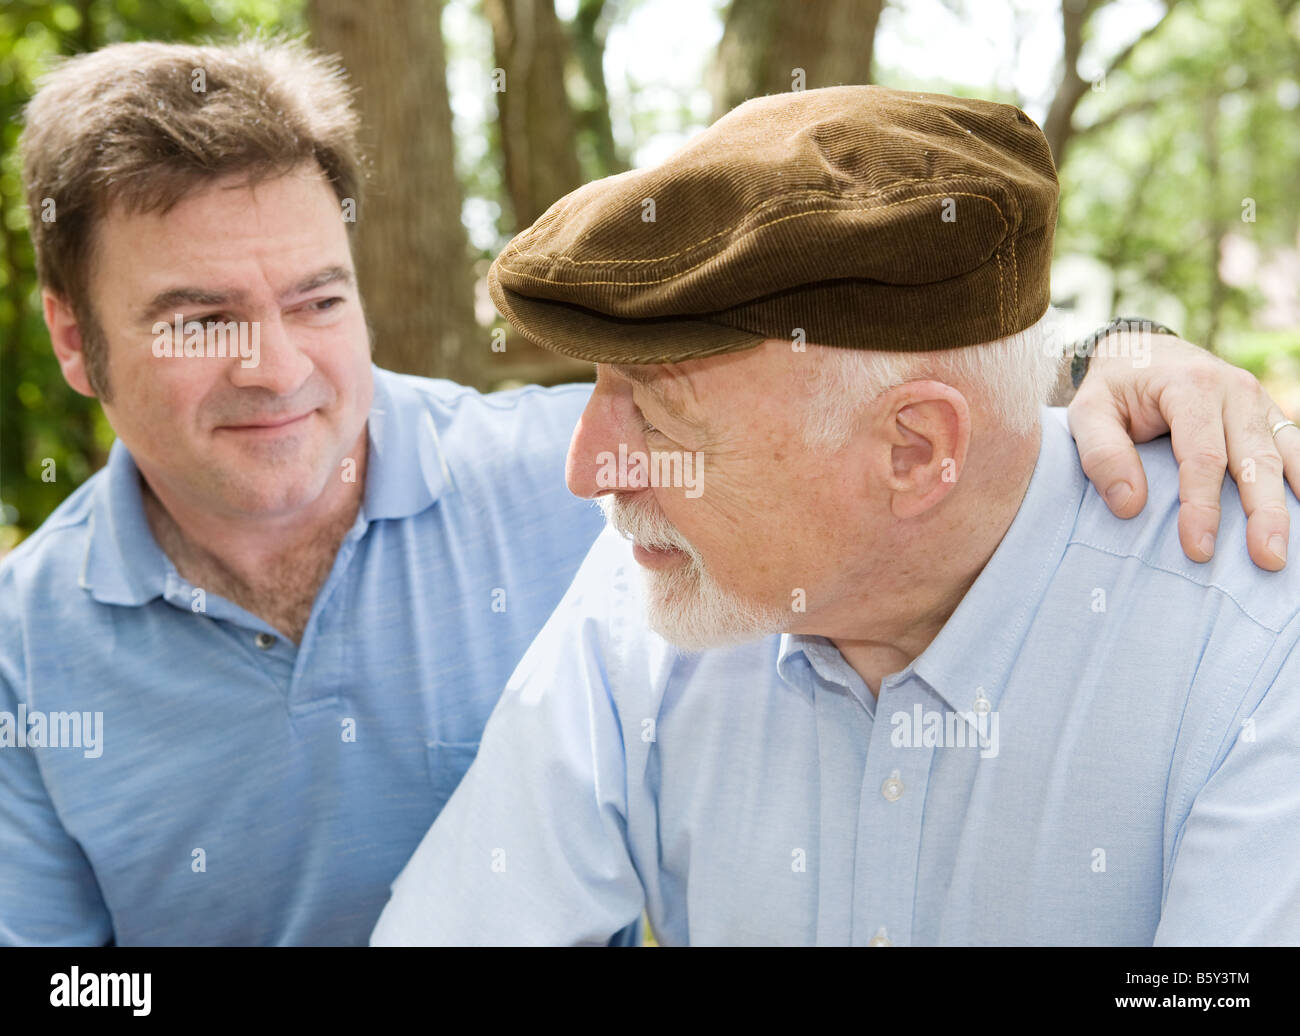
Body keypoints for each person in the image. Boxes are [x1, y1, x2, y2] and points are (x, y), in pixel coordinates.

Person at [0, 39, 1290, 946]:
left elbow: (957, 378)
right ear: (75, 338)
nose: (587, 468)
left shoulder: (1243, 645)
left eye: (318, 298)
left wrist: (1111, 343)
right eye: (195, 318)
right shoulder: (646, 569)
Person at [371, 85, 1300, 946]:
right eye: (598, 392)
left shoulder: (1256, 641)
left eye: (656, 420)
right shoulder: (653, 589)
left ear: (915, 450)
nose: (589, 472)